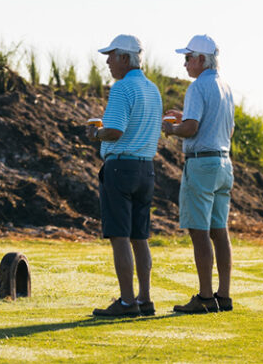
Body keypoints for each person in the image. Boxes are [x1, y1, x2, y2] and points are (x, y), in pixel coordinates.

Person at [86, 34, 163, 317]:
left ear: (124, 58)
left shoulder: (121, 88)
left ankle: (128, 302)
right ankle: (145, 298)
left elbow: (115, 131)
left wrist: (96, 134)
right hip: (146, 168)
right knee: (139, 237)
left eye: (111, 56)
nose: (107, 62)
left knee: (119, 236)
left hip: (120, 167)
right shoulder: (153, 89)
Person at [162, 34, 235, 314]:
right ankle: (223, 296)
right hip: (223, 163)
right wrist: (186, 120)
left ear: (201, 59)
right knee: (219, 230)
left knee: (199, 230)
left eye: (188, 58)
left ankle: (205, 297)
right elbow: (226, 129)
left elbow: (191, 128)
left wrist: (172, 129)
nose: (185, 64)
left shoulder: (197, 87)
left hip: (201, 163)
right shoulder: (225, 86)